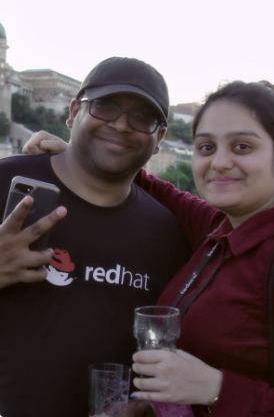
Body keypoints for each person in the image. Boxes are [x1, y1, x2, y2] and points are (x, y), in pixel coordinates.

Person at [24, 81, 274, 416]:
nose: (220, 163)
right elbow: (165, 192)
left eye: (242, 147)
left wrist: (215, 389)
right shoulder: (219, 230)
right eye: (206, 147)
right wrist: (81, 156)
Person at [0, 57, 190, 417]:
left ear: (160, 138)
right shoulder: (4, 183)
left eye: (142, 118)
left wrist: (151, 403)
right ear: (73, 112)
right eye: (105, 107)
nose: (120, 125)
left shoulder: (167, 231)